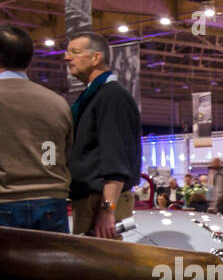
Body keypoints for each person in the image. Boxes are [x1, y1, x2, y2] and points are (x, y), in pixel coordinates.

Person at [64, 31, 141, 238]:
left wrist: (108, 209)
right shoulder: (95, 96)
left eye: (75, 52)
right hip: (93, 199)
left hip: (101, 200)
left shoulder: (111, 97)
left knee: (102, 266)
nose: (66, 57)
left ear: (96, 58)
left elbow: (115, 158)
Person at [0, 25, 73, 232]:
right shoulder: (57, 102)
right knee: (54, 265)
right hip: (52, 203)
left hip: (5, 201)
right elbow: (62, 152)